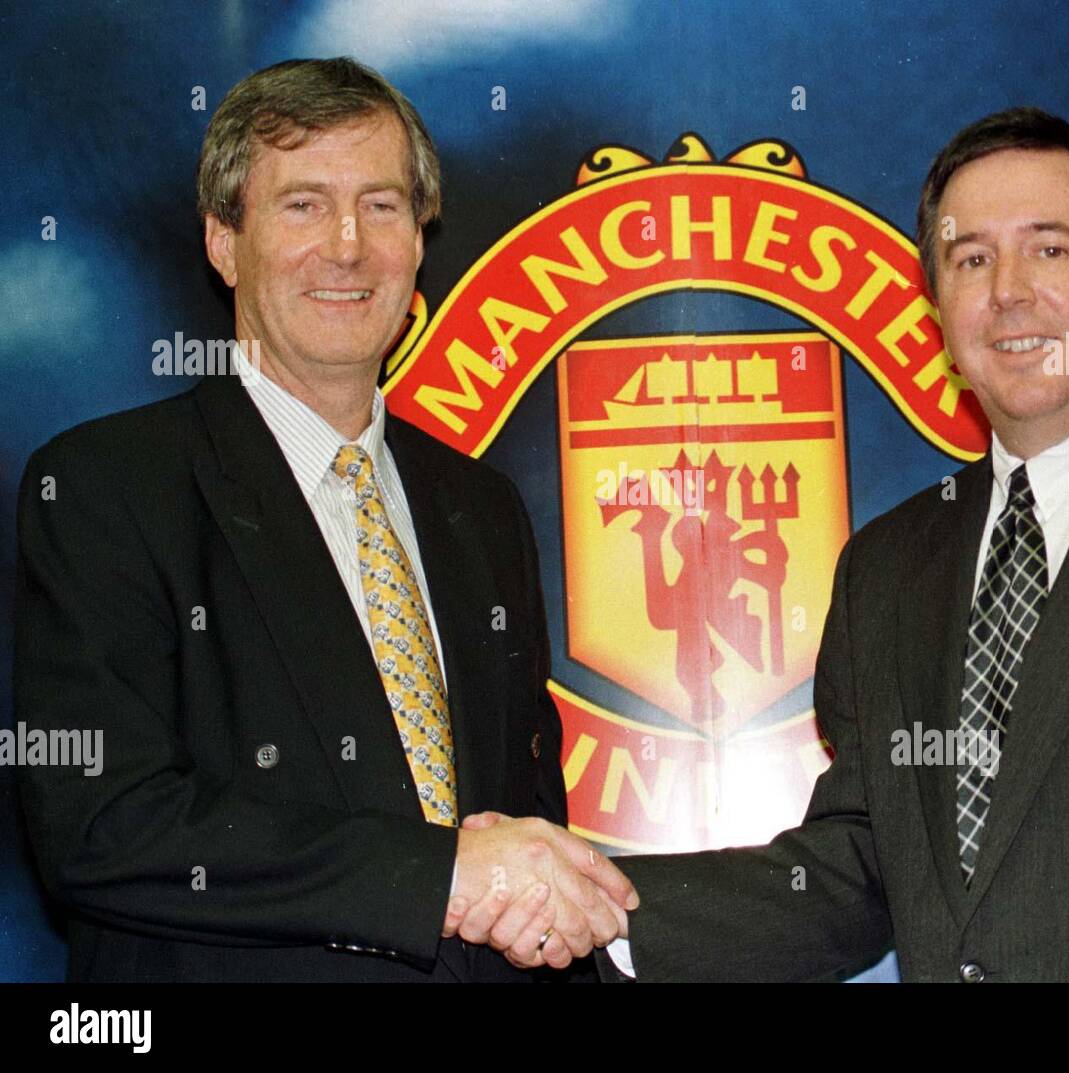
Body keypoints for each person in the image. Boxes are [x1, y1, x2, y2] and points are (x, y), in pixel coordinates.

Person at [447, 107, 1069, 981]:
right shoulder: (888, 568)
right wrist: (597, 906)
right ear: (937, 308)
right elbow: (860, 873)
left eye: (1050, 248)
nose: (1007, 290)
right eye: (971, 259)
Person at [14, 56, 635, 983]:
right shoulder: (105, 489)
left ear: (421, 240)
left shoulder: (482, 510)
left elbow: (519, 826)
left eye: (382, 206)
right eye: (303, 204)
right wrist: (442, 880)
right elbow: (103, 824)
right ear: (224, 242)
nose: (347, 246)